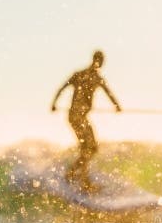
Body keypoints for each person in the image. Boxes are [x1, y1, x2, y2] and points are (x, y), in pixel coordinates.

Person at [51, 50, 121, 191]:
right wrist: (53, 103)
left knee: (91, 148)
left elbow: (109, 93)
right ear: (96, 60)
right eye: (99, 61)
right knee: (89, 148)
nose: (99, 63)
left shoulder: (92, 77)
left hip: (80, 117)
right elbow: (62, 88)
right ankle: (81, 180)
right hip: (76, 117)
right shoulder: (84, 76)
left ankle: (73, 175)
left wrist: (116, 105)